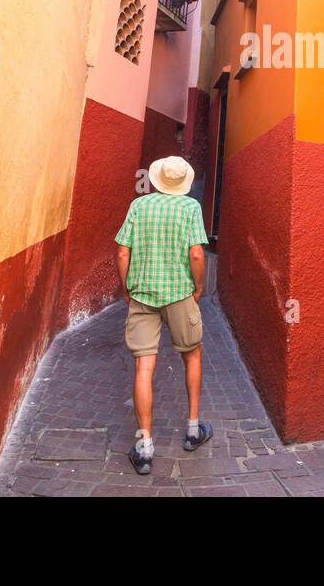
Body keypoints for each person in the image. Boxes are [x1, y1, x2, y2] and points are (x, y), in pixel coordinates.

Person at [114, 155, 212, 475]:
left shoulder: (139, 206)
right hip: (180, 293)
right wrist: (197, 287)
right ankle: (193, 429)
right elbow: (196, 252)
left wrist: (127, 288)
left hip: (143, 294)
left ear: (156, 179)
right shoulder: (190, 208)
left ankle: (144, 446)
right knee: (192, 355)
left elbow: (122, 251)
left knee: (144, 365)